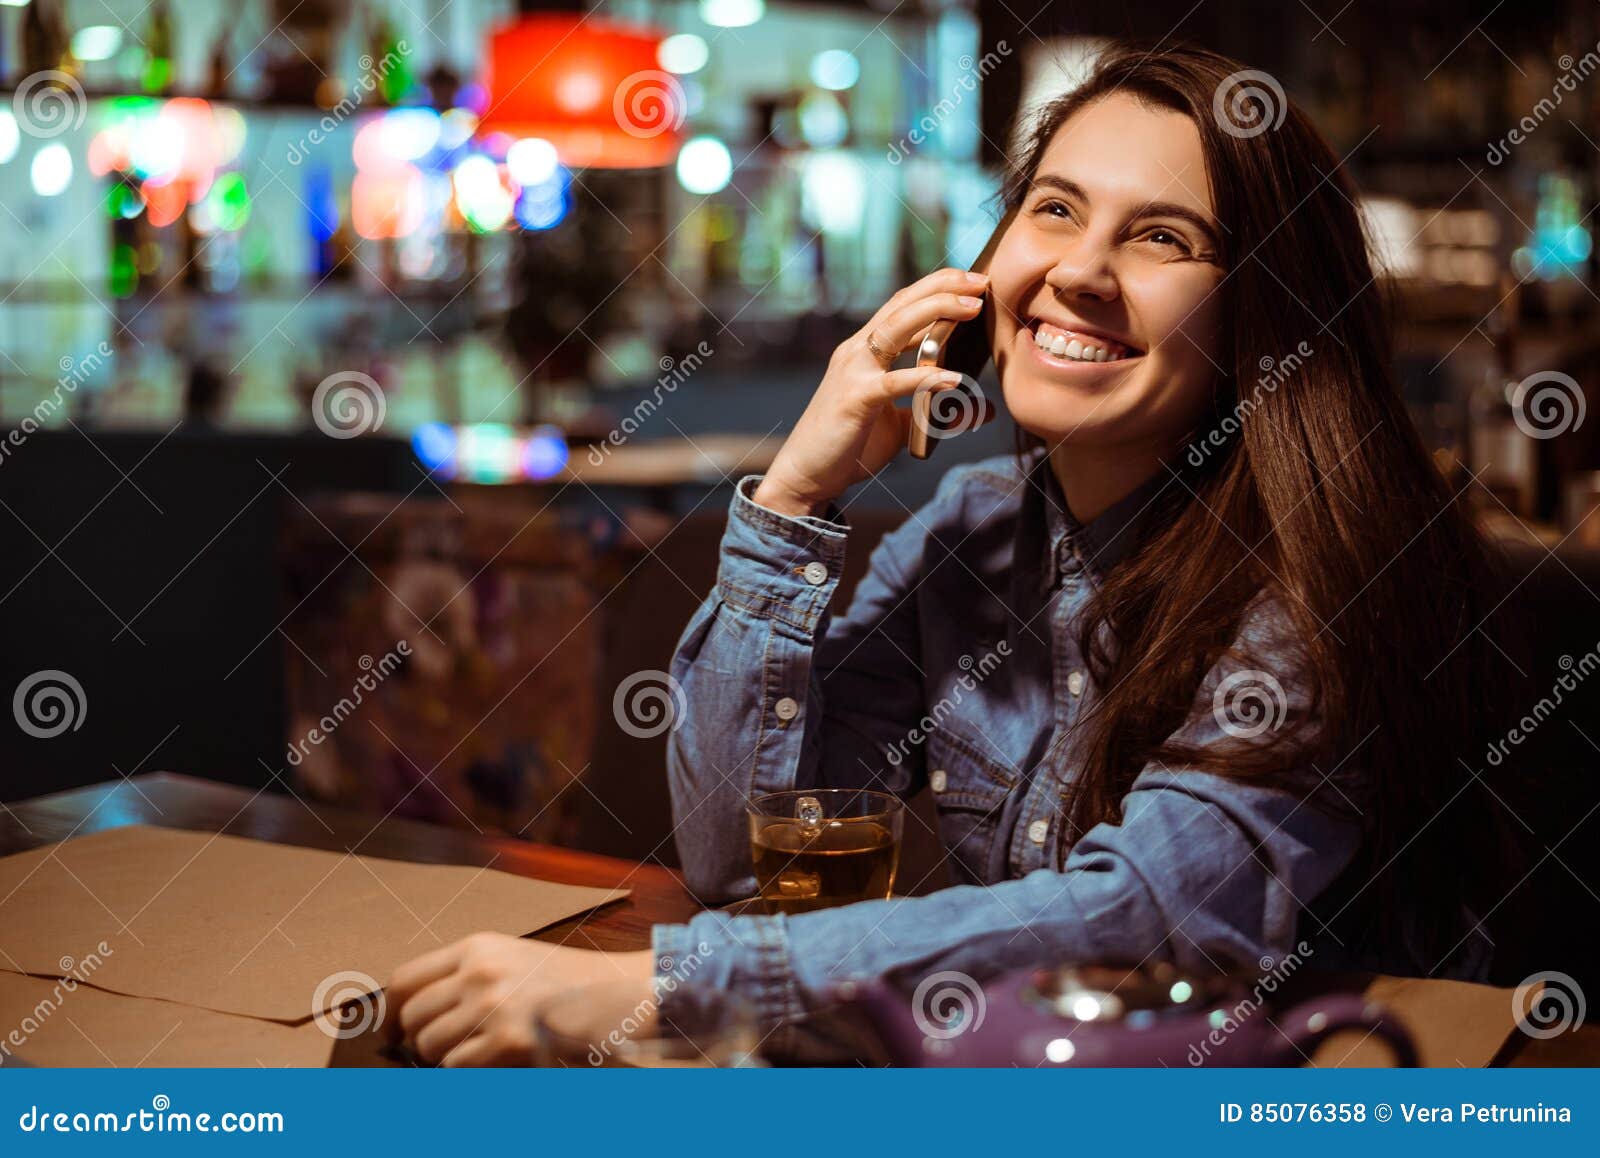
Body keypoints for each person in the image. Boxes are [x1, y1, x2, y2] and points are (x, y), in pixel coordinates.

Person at [386, 42, 1522, 1066]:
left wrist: (677, 989)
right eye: (1055, 210)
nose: (1080, 270)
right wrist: (795, 494)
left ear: (1264, 318)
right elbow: (743, 861)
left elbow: (1146, 922)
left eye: (1162, 237)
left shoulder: (1317, 578)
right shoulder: (971, 530)